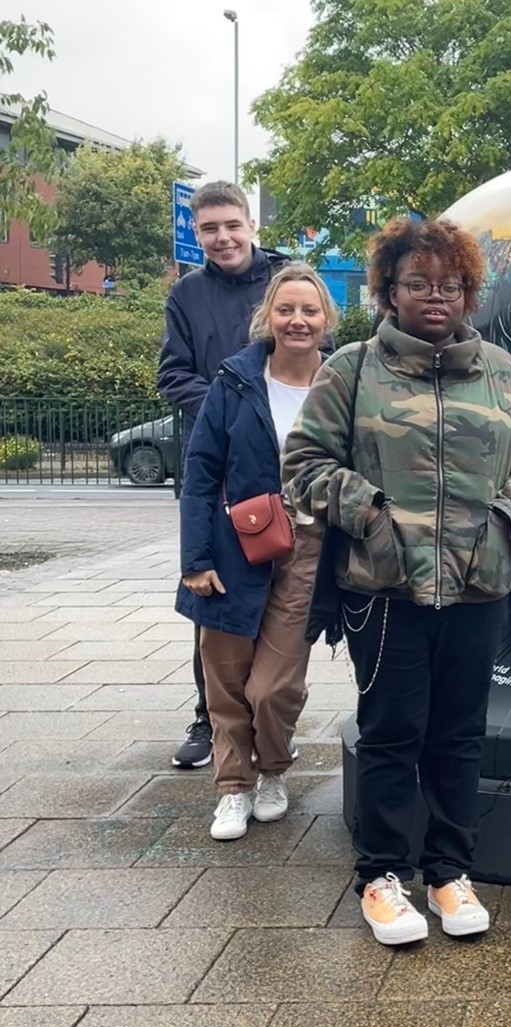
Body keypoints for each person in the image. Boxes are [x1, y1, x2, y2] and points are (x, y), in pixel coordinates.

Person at [282, 217, 511, 946]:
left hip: (478, 587)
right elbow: (304, 464)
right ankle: (380, 876)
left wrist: (507, 518)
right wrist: (370, 513)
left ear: (468, 293)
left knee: (460, 735)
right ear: (388, 290)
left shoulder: (503, 374)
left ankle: (447, 871)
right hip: (385, 589)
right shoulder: (351, 370)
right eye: (416, 283)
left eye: (449, 284)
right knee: (391, 734)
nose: (434, 296)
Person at [175, 263, 334, 840]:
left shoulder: (341, 381)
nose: (297, 320)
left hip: (309, 547)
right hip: (234, 545)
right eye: (286, 310)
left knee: (273, 686)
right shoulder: (236, 379)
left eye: (309, 310)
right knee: (226, 677)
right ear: (267, 317)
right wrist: (196, 559)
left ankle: (273, 768)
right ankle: (234, 787)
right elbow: (200, 471)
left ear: (325, 319)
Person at [157, 181, 290, 770]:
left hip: (282, 464)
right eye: (209, 228)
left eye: (231, 225)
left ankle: (271, 715)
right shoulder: (187, 293)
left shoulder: (286, 280)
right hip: (216, 464)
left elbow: (316, 346)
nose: (222, 238)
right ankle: (208, 718)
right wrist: (227, 405)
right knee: (210, 587)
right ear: (198, 232)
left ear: (250, 223)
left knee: (288, 592)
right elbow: (172, 374)